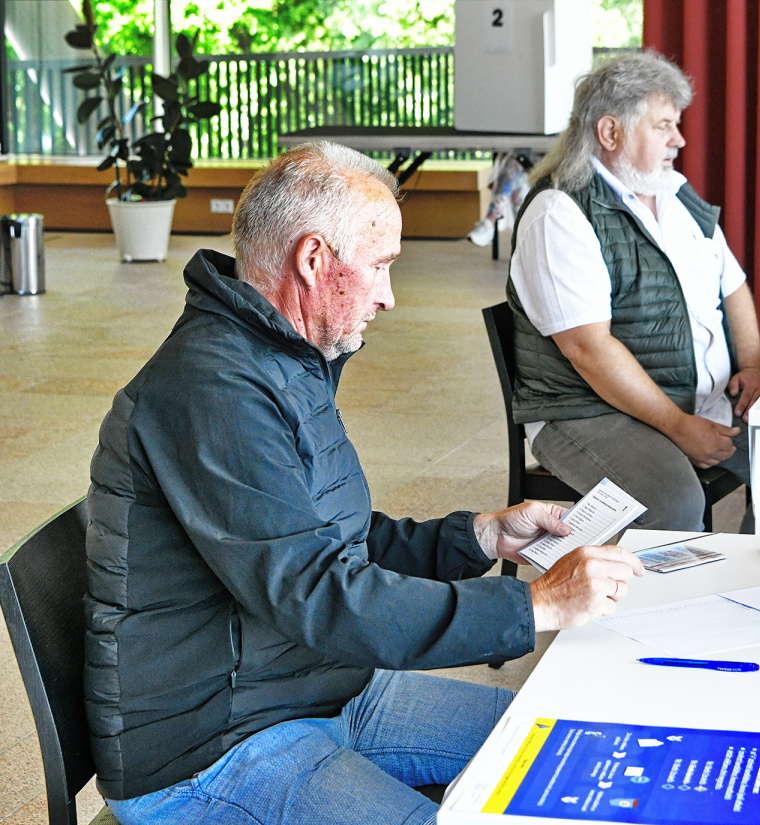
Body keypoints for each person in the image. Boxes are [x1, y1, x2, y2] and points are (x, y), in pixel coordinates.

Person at [85, 141, 644, 825]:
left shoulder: (282, 355)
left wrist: (479, 537)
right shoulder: (213, 387)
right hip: (213, 744)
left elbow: (331, 541)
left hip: (318, 685)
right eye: (380, 265)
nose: (388, 295)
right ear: (314, 259)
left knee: (576, 745)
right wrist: (534, 607)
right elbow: (318, 594)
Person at [507, 51, 760, 533]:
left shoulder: (676, 195)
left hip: (695, 400)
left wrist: (752, 367)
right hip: (586, 412)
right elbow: (588, 349)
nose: (678, 139)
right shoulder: (560, 212)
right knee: (674, 502)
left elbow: (733, 286)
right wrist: (679, 427)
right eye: (663, 126)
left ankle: (745, 579)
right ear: (610, 132)